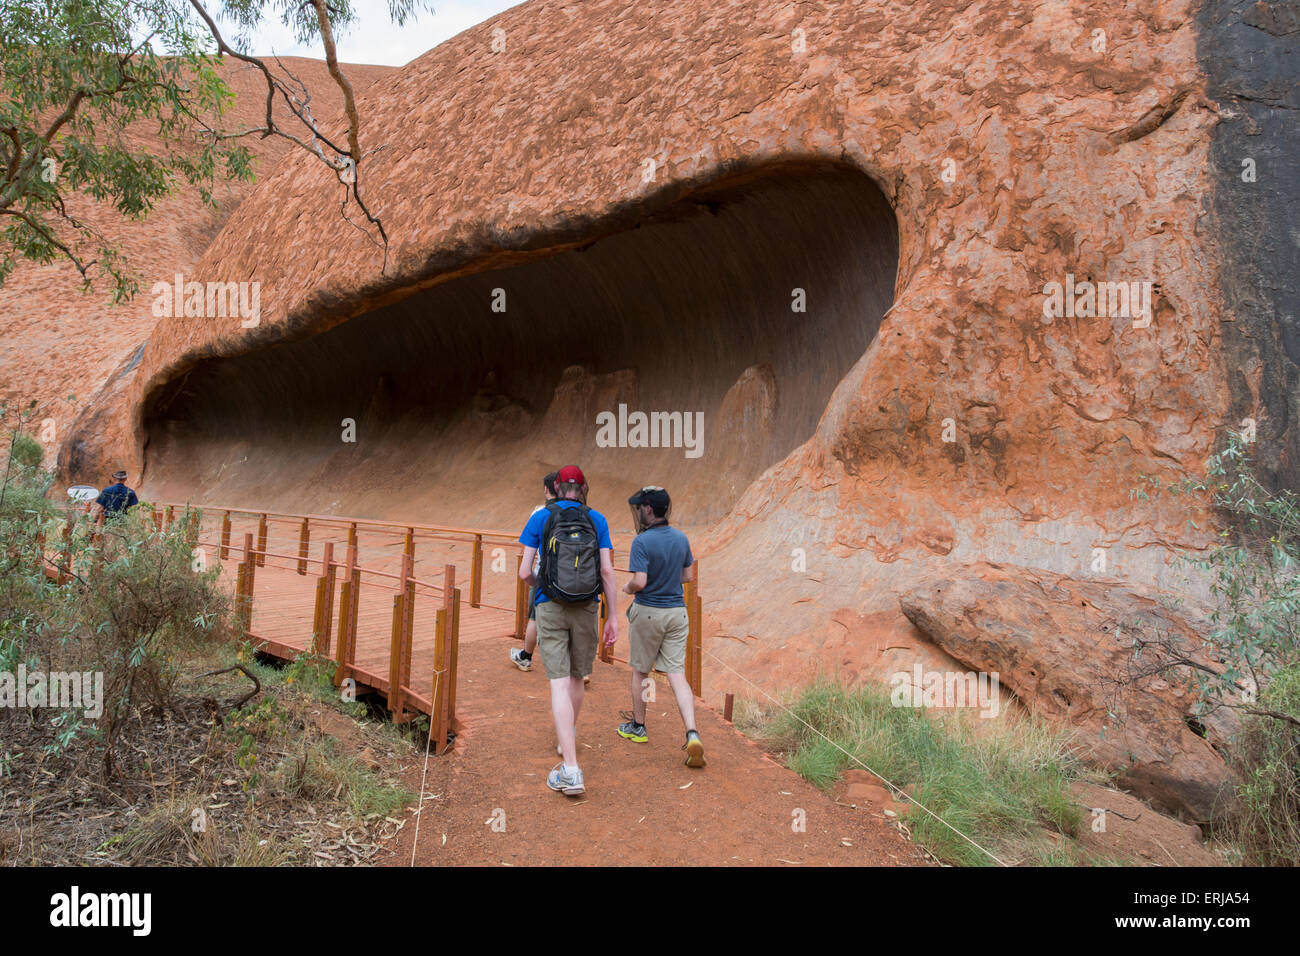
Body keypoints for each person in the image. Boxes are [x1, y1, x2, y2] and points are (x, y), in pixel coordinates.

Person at [518, 465, 618, 796]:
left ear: (558, 488)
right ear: (584, 488)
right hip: (587, 606)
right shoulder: (597, 520)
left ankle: (571, 770)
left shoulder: (540, 518)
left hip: (549, 605)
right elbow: (606, 570)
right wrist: (614, 616)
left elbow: (523, 572)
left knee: (558, 683)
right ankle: (567, 741)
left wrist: (542, 585)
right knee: (577, 678)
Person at [617, 486, 704, 768]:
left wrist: (627, 588)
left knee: (641, 671)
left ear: (649, 509)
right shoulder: (681, 538)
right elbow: (688, 575)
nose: (638, 512)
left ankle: (638, 726)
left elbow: (640, 581)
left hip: (649, 612)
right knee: (677, 675)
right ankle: (692, 732)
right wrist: (667, 580)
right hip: (677, 613)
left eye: (640, 508)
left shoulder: (642, 542)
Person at [509, 471, 558, 672]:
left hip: (544, 576)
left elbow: (527, 552)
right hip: (574, 578)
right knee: (570, 618)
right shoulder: (578, 512)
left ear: (546, 489)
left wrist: (533, 581)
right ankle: (579, 669)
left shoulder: (539, 513)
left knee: (536, 617)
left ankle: (526, 657)